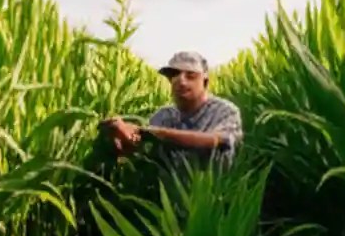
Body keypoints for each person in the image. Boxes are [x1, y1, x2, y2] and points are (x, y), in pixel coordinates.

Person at [101, 50, 243, 172]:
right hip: (167, 198)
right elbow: (140, 146)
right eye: (174, 75)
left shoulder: (225, 111)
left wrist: (151, 132)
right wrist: (121, 132)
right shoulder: (164, 115)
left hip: (212, 198)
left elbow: (214, 140)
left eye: (191, 76)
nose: (181, 81)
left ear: (205, 81)